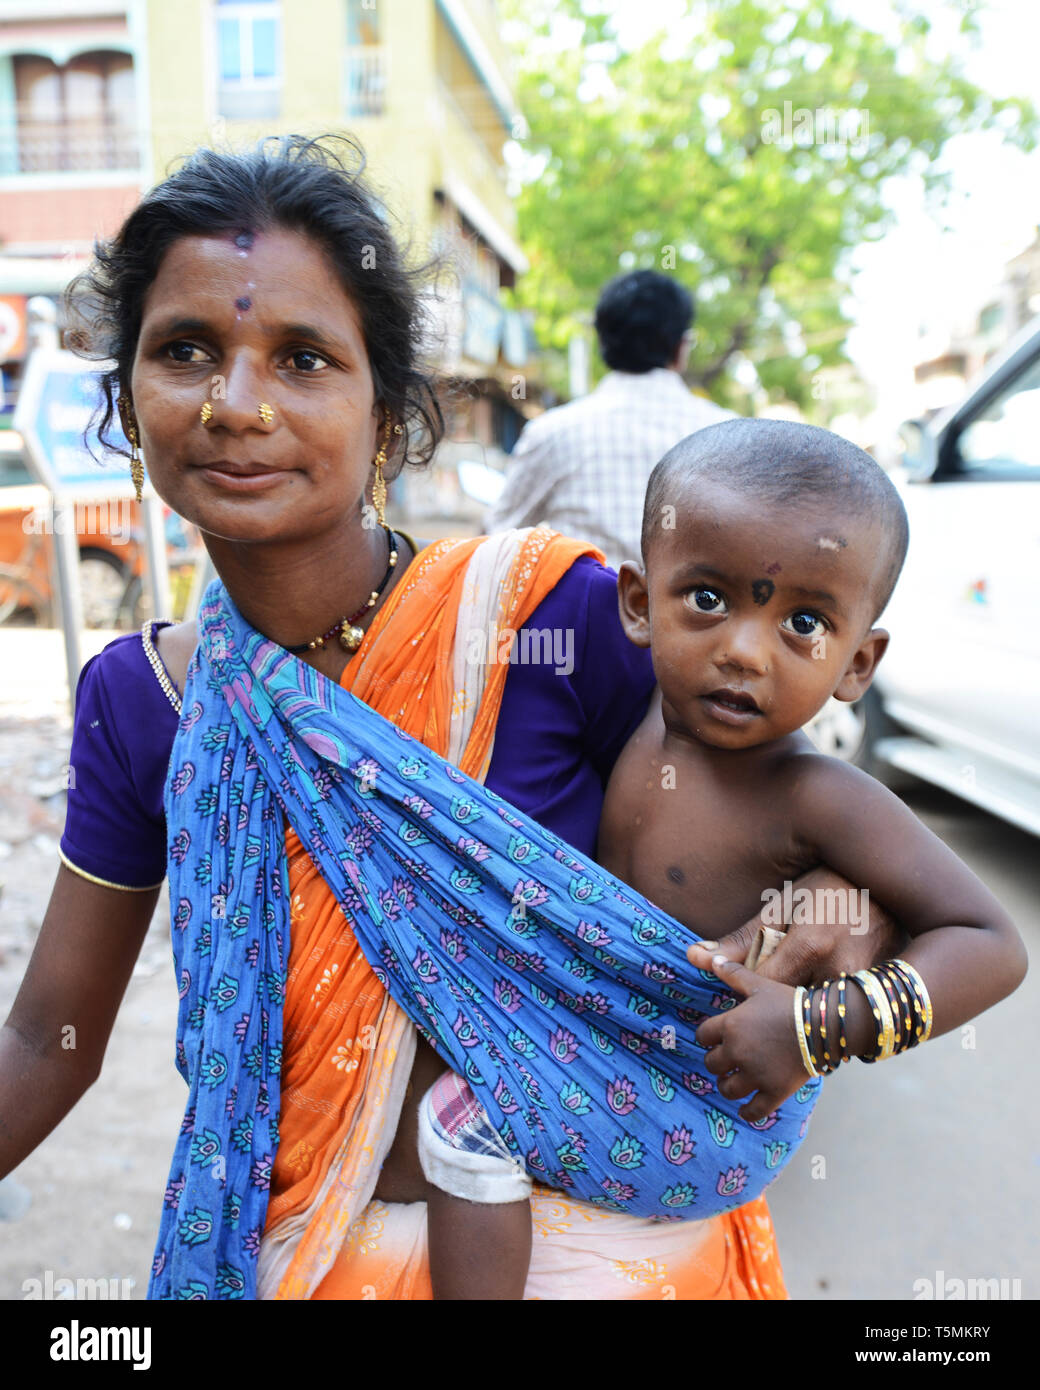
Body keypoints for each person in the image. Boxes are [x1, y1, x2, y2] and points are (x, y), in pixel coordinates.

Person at [0, 135, 896, 1301]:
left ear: (388, 409)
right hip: (313, 1259)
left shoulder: (551, 620)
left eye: (304, 358)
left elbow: (816, 835)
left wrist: (846, 923)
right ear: (126, 395)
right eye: (185, 351)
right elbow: (46, 1039)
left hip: (618, 1261)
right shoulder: (144, 701)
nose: (235, 403)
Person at [416, 418, 1027, 1299]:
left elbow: (992, 943)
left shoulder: (818, 796)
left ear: (858, 664)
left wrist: (820, 1028)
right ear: (637, 603)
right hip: (621, 1054)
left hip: (711, 1104)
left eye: (804, 622)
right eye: (708, 599)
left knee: (458, 1126)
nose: (743, 649)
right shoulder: (628, 722)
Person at [486, 269, 732, 571]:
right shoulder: (728, 436)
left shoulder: (551, 432)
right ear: (681, 346)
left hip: (581, 617)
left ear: (603, 344)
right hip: (693, 616)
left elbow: (498, 541)